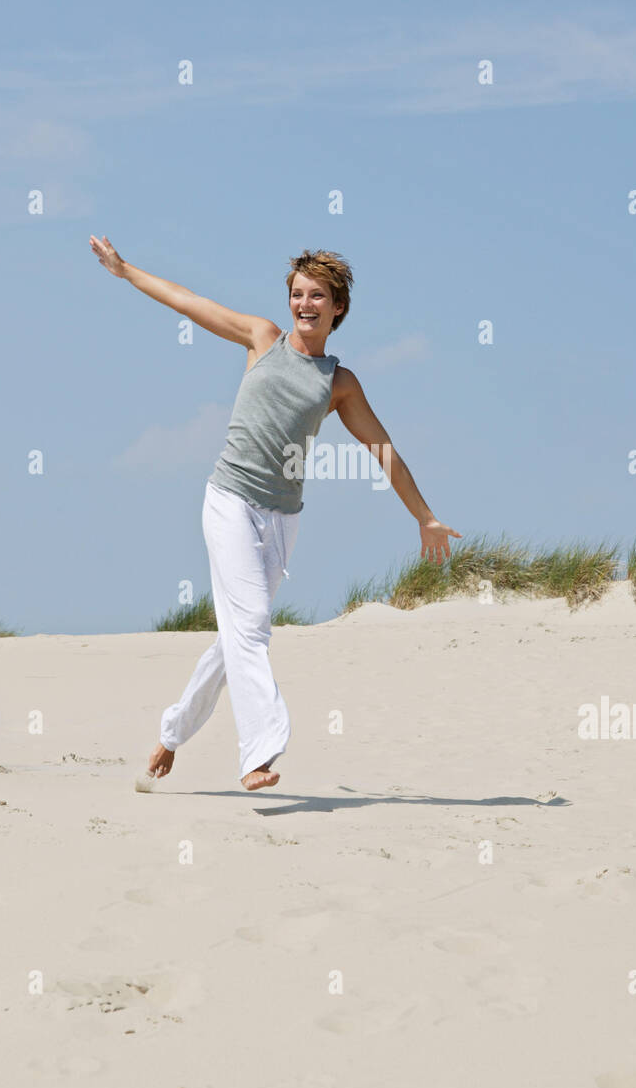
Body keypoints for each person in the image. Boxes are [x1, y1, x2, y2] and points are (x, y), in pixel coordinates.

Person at [89, 235, 461, 790]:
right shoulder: (262, 338)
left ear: (338, 308)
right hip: (229, 500)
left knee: (235, 635)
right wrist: (125, 271)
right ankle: (258, 753)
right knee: (253, 628)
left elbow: (383, 450)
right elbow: (186, 301)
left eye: (317, 296)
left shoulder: (339, 382)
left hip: (282, 519)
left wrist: (424, 517)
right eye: (297, 293)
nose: (304, 304)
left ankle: (171, 735)